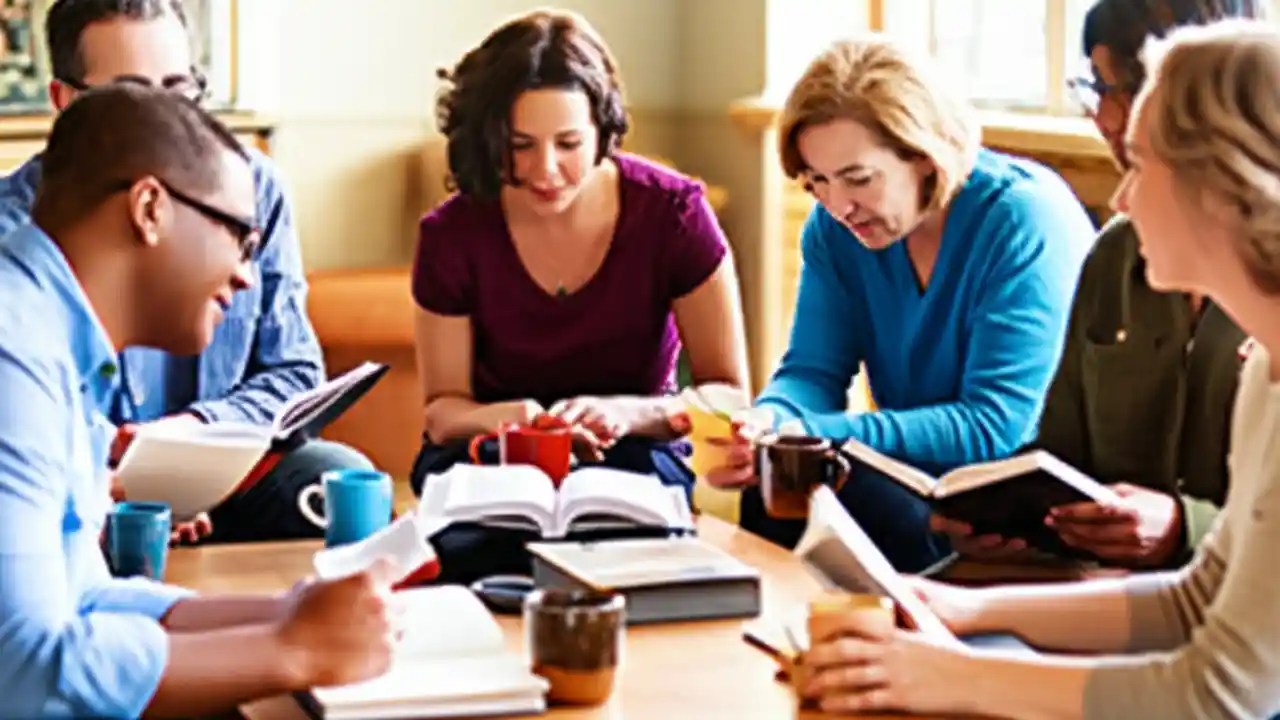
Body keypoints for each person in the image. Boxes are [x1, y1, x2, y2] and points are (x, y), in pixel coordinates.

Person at [800, 20, 1280, 719]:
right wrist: (960, 608)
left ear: (1221, 184)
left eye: (1141, 166)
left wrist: (945, 677)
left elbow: (1219, 693)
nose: (1119, 200)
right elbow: (1197, 597)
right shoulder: (1265, 375)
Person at [0, 82, 395, 720]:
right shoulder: (12, 350)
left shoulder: (49, 332)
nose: (247, 274)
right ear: (150, 208)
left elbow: (83, 594)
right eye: (240, 236)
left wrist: (284, 611)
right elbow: (23, 670)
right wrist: (290, 649)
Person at [706, 36, 1095, 571]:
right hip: (919, 482)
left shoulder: (1022, 218)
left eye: (858, 179)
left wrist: (814, 434)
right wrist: (768, 425)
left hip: (1017, 494)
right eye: (816, 182)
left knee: (839, 488)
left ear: (924, 155)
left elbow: (993, 426)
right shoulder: (835, 230)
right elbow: (812, 371)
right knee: (779, 485)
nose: (838, 205)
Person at [0, 0, 374, 543]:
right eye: (132, 99)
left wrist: (193, 435)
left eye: (179, 92)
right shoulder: (15, 228)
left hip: (228, 464)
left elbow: (293, 374)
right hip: (72, 476)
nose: (167, 124)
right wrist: (113, 473)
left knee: (334, 475)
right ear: (65, 102)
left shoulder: (253, 191)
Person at [410, 10, 750, 579]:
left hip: (634, 453)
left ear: (603, 129)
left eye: (569, 143)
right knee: (477, 556)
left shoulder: (675, 214)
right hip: (493, 455)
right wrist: (517, 418)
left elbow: (730, 393)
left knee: (631, 556)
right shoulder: (451, 234)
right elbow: (444, 412)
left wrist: (631, 412)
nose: (546, 171)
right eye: (520, 145)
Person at [934, 0, 1264, 570]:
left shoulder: (1265, 321)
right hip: (1094, 582)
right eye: (1098, 86)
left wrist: (1187, 526)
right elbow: (1061, 452)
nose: (1107, 118)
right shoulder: (1116, 254)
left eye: (1131, 86)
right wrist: (997, 511)